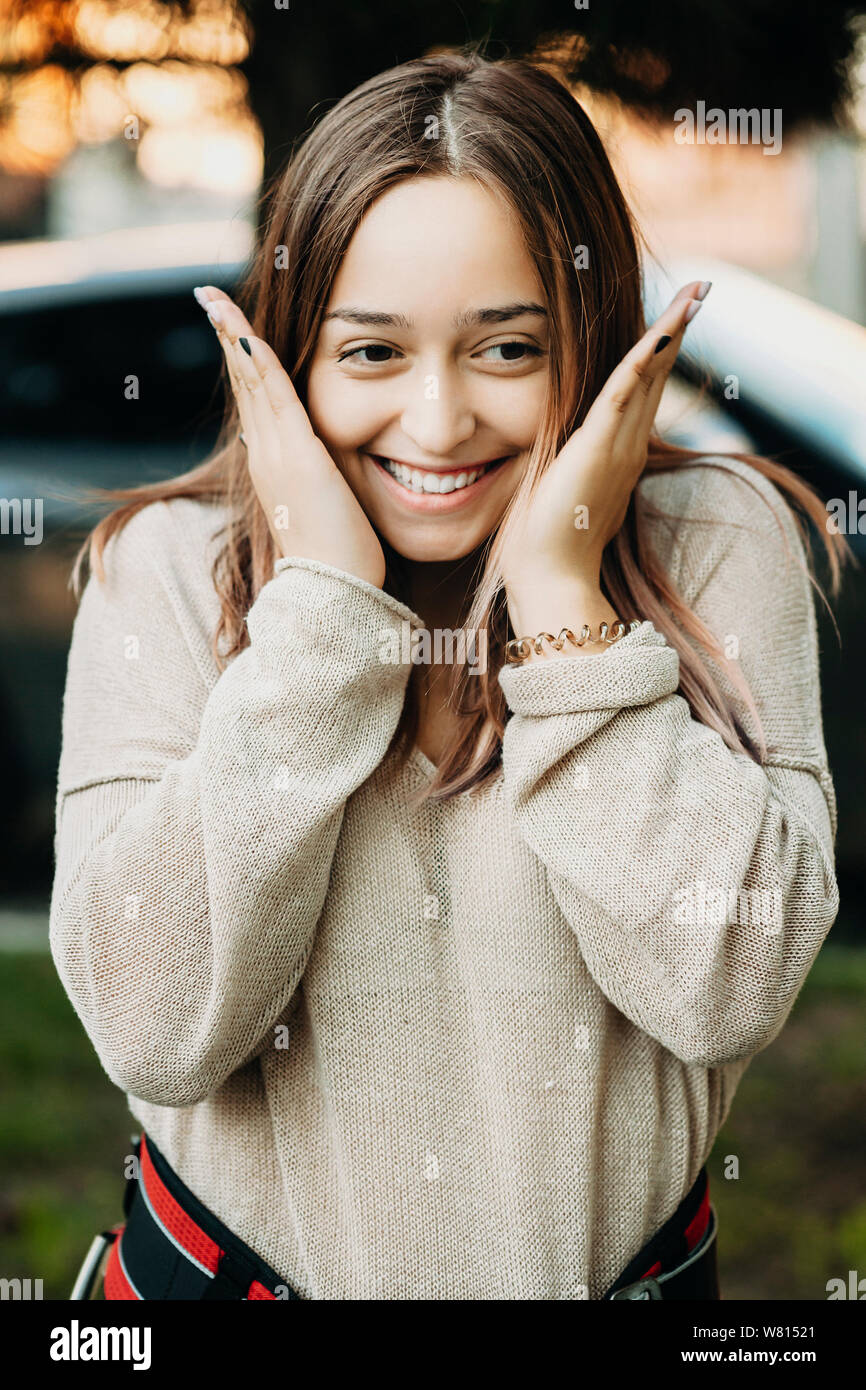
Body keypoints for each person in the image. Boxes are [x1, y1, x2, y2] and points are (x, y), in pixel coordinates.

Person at [50, 48, 846, 1301]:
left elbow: (728, 985)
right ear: (288, 351)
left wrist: (565, 604)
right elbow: (152, 1026)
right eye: (370, 353)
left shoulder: (717, 541)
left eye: (507, 350)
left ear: (588, 340)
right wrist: (319, 615)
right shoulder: (161, 569)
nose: (435, 423)